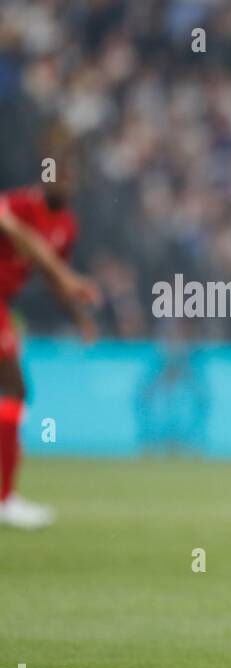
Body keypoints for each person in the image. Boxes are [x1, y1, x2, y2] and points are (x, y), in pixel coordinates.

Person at [0, 137, 101, 529]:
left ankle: (6, 496)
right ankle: (5, 499)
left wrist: (79, 317)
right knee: (13, 387)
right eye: (56, 175)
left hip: (3, 305)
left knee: (14, 391)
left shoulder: (67, 225)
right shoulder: (20, 205)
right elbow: (25, 241)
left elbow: (51, 276)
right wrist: (66, 275)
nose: (62, 183)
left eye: (69, 177)